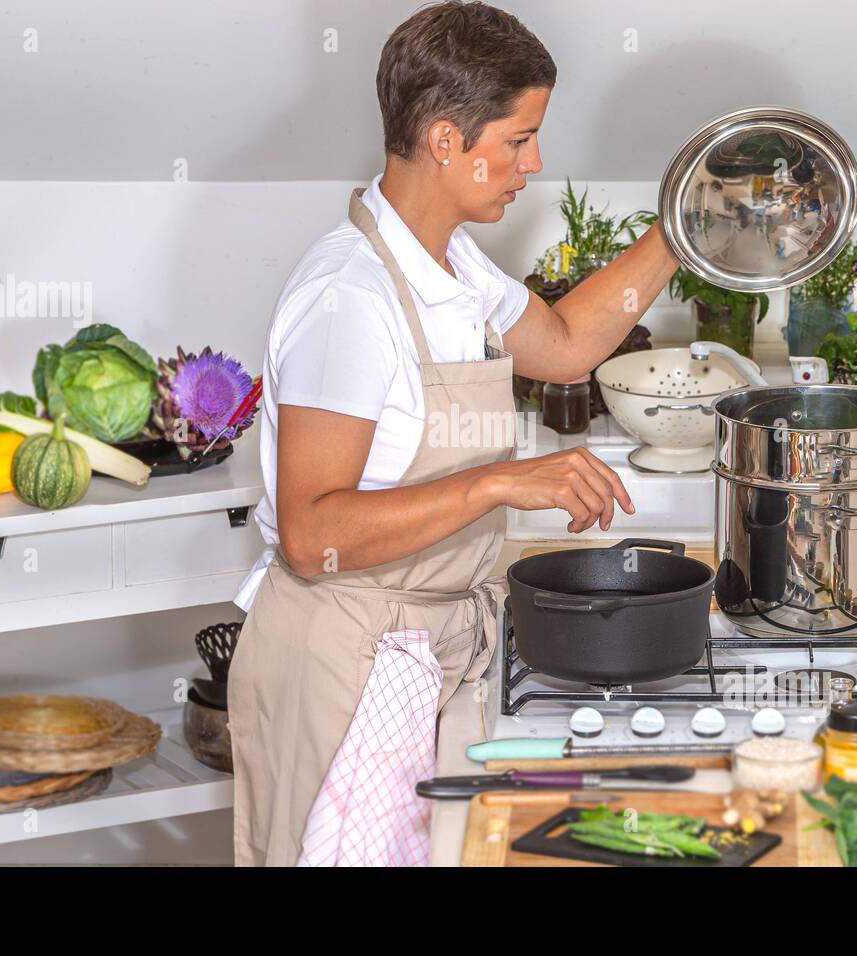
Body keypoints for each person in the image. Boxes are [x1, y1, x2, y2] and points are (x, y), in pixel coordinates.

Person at [228, 0, 679, 865]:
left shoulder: (451, 264)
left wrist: (682, 229)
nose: (533, 165)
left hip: (423, 648)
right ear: (444, 139)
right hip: (343, 663)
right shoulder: (348, 301)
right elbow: (313, 535)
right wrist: (496, 483)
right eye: (517, 141)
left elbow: (567, 346)